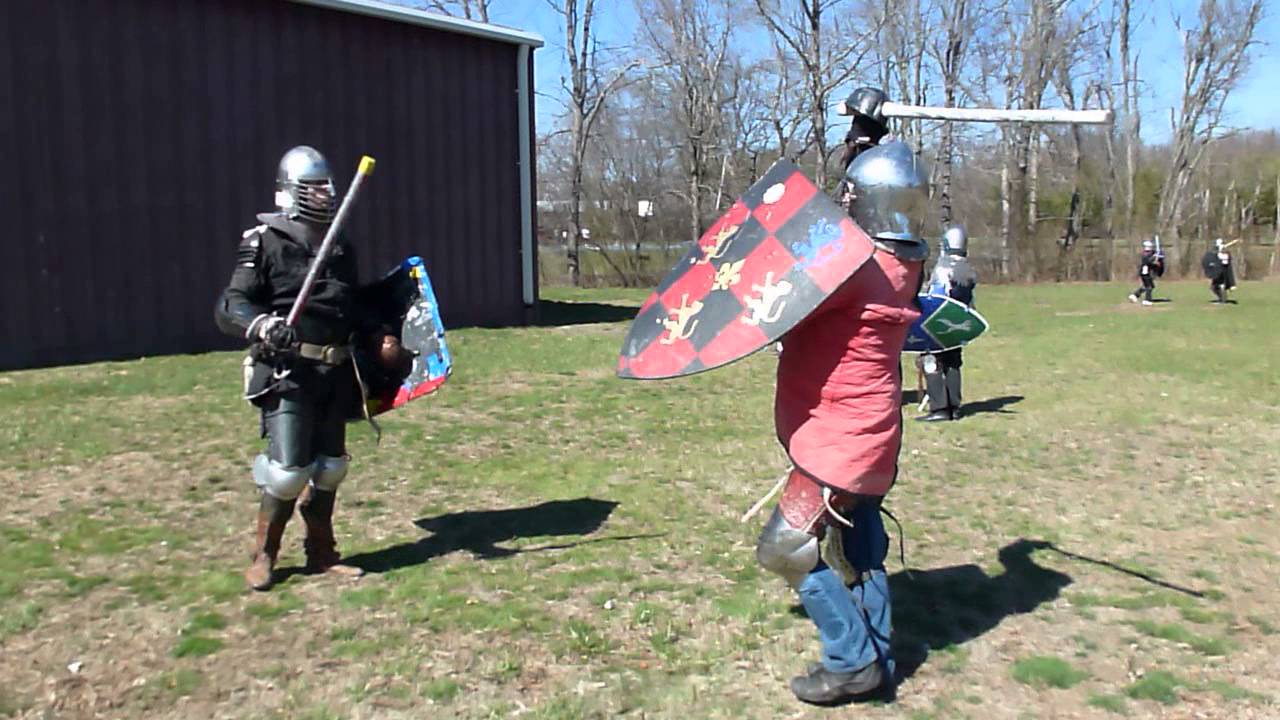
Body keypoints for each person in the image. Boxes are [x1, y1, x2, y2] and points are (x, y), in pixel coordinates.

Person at [756, 93, 928, 705]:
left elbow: (775, 306)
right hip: (874, 432)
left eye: (854, 195)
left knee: (785, 547)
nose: (845, 202)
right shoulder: (907, 258)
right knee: (859, 544)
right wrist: (867, 136)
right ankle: (877, 648)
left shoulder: (851, 269)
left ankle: (854, 662)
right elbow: (858, 212)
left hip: (840, 440)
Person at [215, 146, 375, 591]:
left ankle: (322, 554)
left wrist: (381, 336)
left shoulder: (339, 244)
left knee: (330, 468)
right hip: (289, 373)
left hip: (334, 371)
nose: (325, 195)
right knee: (287, 473)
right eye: (314, 188)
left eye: (327, 187)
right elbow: (231, 303)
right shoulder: (265, 241)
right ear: (292, 191)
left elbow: (352, 304)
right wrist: (263, 325)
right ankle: (264, 555)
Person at [917, 226, 977, 422]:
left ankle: (940, 408)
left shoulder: (943, 268)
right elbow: (970, 302)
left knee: (931, 362)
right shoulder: (968, 269)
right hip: (959, 321)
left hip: (940, 322)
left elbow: (936, 298)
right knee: (953, 362)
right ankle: (954, 407)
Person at [1128, 239, 1164, 306]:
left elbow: (1153, 259)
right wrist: (1155, 258)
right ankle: (1147, 300)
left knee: (1148, 286)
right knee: (1149, 286)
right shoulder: (1145, 255)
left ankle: (1135, 295)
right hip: (1145, 273)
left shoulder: (1150, 253)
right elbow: (1148, 261)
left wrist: (1158, 254)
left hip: (1147, 273)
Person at [1203, 238, 1237, 303]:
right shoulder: (1217, 253)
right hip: (1219, 272)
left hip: (1222, 272)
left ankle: (1222, 299)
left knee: (1220, 286)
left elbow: (1224, 261)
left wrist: (1220, 253)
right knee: (1214, 287)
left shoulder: (1225, 254)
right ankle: (1222, 299)